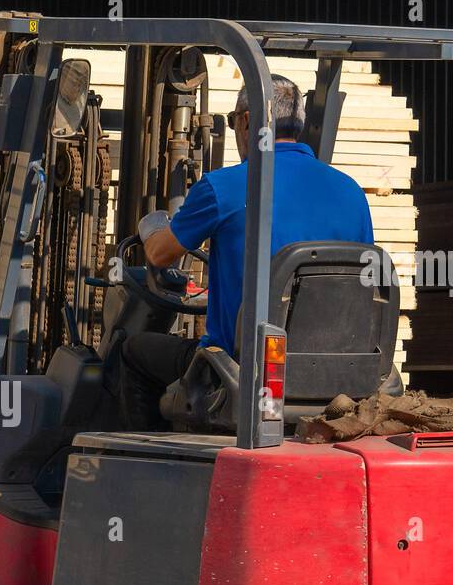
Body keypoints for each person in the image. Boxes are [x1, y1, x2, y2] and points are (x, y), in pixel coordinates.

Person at [120, 74, 375, 429]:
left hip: (242, 370)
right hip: (332, 373)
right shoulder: (351, 194)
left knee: (132, 351)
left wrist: (151, 226)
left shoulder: (224, 187)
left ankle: (142, 472)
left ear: (244, 121)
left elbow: (160, 255)